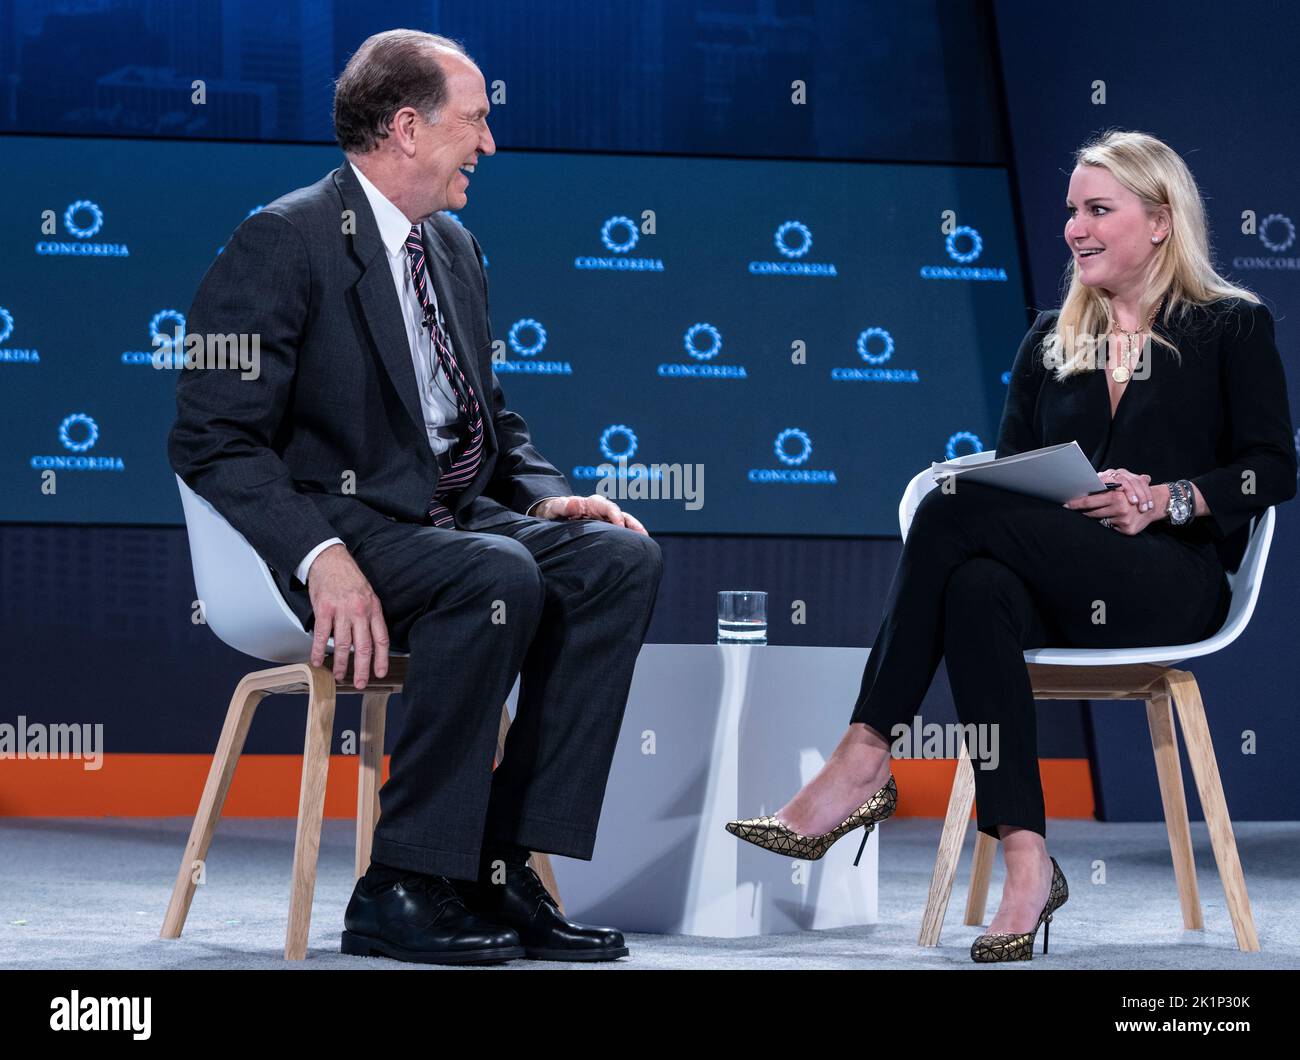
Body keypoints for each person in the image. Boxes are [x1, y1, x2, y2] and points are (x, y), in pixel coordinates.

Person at [725, 129, 1296, 962]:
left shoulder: (1230, 326)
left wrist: (1170, 499)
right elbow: (1013, 477)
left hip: (1170, 582)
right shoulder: (1048, 339)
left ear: (1163, 220)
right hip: (1061, 581)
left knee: (953, 508)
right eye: (1071, 211)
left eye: (1100, 209)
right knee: (975, 584)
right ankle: (1028, 866)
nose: (1075, 228)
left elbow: (1274, 468)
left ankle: (861, 756)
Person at [168, 29, 663, 965]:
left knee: (615, 560)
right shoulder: (284, 239)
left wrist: (549, 496)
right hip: (336, 524)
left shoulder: (457, 250)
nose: (488, 144)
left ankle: (494, 860)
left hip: (452, 521)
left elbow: (492, 418)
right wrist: (321, 558)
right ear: (406, 128)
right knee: (495, 573)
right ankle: (399, 883)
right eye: (475, 121)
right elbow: (210, 434)